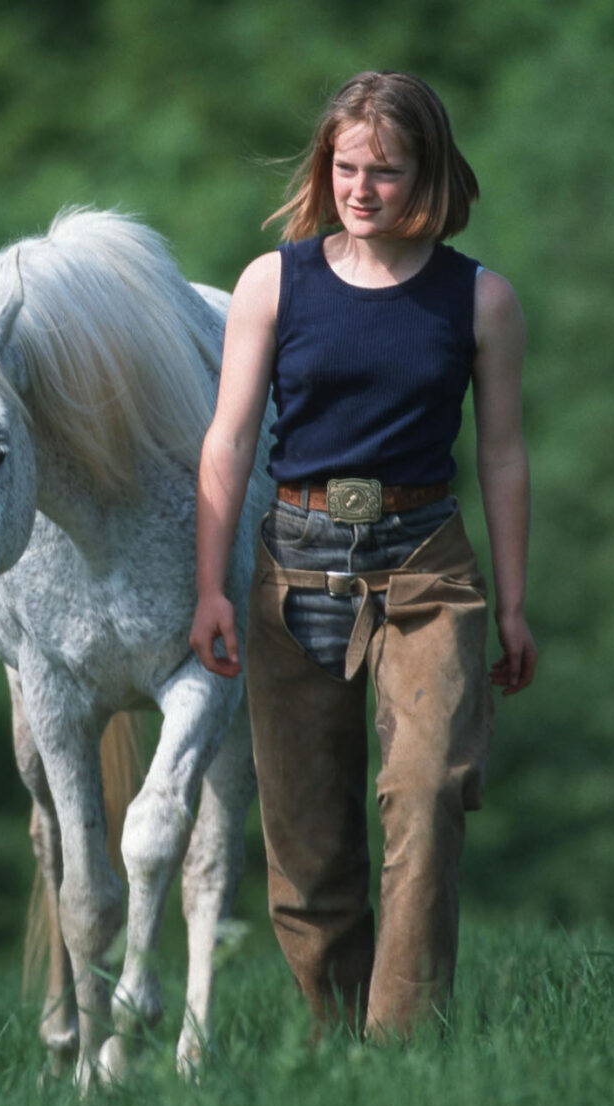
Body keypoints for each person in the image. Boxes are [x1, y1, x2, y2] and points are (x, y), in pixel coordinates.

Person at [190, 70, 537, 1040]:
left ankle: (402, 1051)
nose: (359, 187)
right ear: (322, 166)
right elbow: (224, 441)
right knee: (304, 836)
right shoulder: (273, 282)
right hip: (294, 567)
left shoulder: (479, 299)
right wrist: (206, 586)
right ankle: (336, 1043)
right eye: (344, 166)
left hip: (426, 565)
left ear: (425, 170)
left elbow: (503, 454)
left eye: (383, 170)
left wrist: (512, 605)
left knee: (425, 794)